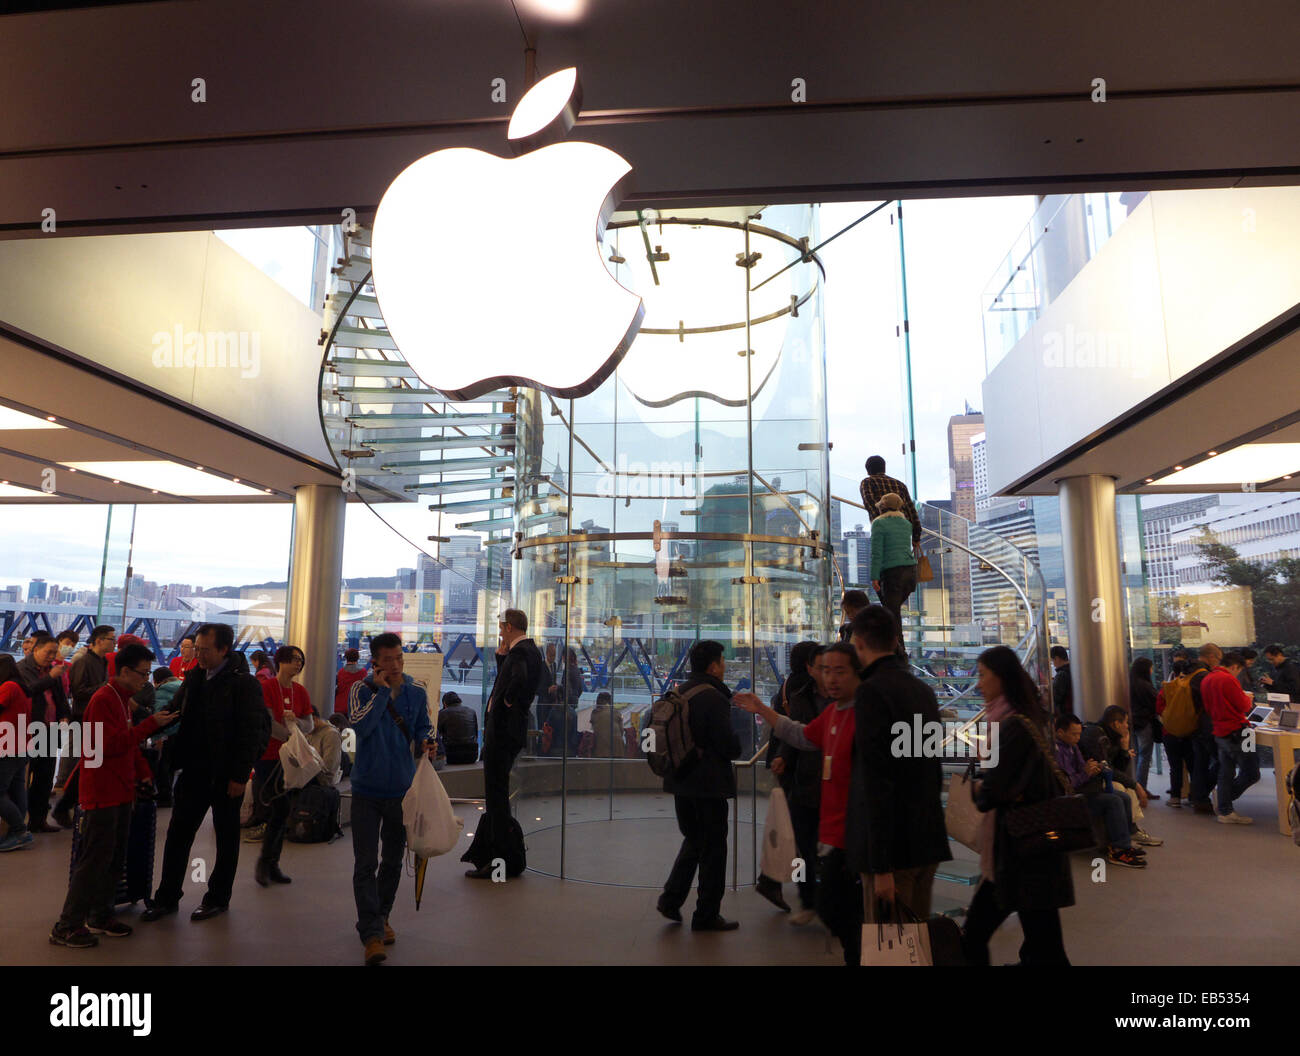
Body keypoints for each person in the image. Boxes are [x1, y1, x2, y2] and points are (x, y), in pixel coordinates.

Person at [739, 641, 872, 962]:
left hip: (858, 839)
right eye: (826, 671)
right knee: (835, 911)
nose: (831, 679)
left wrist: (880, 864)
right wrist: (763, 709)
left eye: (840, 671)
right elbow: (800, 734)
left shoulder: (867, 716)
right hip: (835, 835)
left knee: (848, 917)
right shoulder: (833, 714)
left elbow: (879, 786)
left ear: (857, 672)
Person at [49, 642, 175, 949]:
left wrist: (143, 772)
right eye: (142, 674)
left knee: (113, 859)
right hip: (102, 793)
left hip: (120, 791)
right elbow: (105, 744)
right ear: (125, 671)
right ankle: (67, 925)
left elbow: (127, 745)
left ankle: (100, 914)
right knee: (93, 861)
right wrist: (150, 725)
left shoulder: (122, 700)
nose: (145, 680)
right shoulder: (104, 699)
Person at [142, 623, 269, 924]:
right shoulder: (196, 677)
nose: (199, 655)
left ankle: (217, 898)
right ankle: (167, 897)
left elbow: (251, 733)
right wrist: (144, 725)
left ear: (224, 650)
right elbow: (175, 709)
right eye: (197, 648)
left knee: (226, 839)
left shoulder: (244, 685)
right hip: (194, 770)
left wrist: (240, 776)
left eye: (205, 650)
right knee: (177, 835)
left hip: (227, 775)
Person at [961, 646, 1073, 966]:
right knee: (1045, 944)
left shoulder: (1011, 725)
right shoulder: (1027, 717)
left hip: (1017, 851)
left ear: (1003, 678)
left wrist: (977, 787)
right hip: (1034, 849)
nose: (978, 684)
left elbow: (991, 794)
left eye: (983, 675)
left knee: (974, 935)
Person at [847, 606, 952, 931]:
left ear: (859, 643)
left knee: (889, 945)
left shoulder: (871, 692)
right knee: (916, 943)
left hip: (894, 850)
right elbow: (932, 769)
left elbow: (876, 781)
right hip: (927, 840)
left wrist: (880, 866)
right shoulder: (922, 691)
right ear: (895, 640)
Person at [348, 632, 434, 964]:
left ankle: (381, 917)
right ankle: (370, 934)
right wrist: (383, 692)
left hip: (402, 790)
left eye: (399, 657)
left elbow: (424, 727)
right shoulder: (362, 689)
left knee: (394, 861)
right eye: (388, 659)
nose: (396, 664)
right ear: (375, 662)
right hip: (366, 791)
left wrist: (428, 740)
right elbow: (360, 726)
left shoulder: (415, 691)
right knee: (365, 863)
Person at [657, 640, 743, 932]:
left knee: (694, 839)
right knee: (714, 849)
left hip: (680, 780)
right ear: (713, 666)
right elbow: (729, 745)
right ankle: (706, 913)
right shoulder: (713, 698)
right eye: (722, 661)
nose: (725, 666)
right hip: (708, 785)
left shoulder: (679, 692)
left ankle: (670, 899)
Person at [462, 610, 542, 879]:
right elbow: (514, 677)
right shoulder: (529, 651)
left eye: (500, 627)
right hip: (512, 731)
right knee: (497, 794)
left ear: (509, 627)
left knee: (495, 796)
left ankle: (499, 862)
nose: (498, 632)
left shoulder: (520, 654)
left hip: (504, 730)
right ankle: (501, 858)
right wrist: (501, 659)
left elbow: (516, 681)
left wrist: (507, 702)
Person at [756, 641, 824, 923]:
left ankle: (788, 884)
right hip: (802, 770)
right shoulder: (803, 691)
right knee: (800, 835)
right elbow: (801, 731)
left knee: (796, 833)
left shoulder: (788, 686)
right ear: (809, 665)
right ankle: (793, 886)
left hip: (791, 768)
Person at [253, 644, 313, 887]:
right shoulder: (267, 687)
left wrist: (294, 723)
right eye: (293, 659)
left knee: (282, 810)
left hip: (292, 760)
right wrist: (292, 734)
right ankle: (267, 862)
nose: (298, 663)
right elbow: (267, 723)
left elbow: (309, 724)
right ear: (280, 661)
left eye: (300, 660)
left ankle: (270, 863)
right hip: (269, 757)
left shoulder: (301, 691)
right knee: (279, 808)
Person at [1053, 714, 1145, 868]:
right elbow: (1067, 784)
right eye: (1074, 734)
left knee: (1123, 797)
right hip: (1072, 799)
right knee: (1114, 800)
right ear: (1060, 733)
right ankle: (1118, 850)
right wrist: (1086, 772)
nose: (1078, 737)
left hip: (1085, 790)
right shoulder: (1058, 752)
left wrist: (1093, 769)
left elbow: (1083, 769)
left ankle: (1123, 843)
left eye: (1079, 733)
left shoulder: (1073, 746)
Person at [53, 624, 116, 826]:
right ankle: (64, 799)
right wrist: (105, 687)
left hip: (96, 717)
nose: (113, 643)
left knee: (90, 762)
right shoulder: (84, 661)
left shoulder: (102, 661)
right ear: (99, 640)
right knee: (80, 760)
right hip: (83, 716)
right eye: (111, 639)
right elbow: (78, 691)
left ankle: (77, 803)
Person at [1081, 705, 1162, 847]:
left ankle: (1130, 830)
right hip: (1091, 781)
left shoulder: (1110, 736)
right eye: (1125, 722)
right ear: (1116, 724)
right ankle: (1126, 835)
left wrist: (1124, 749)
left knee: (1125, 787)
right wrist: (1136, 784)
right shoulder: (1096, 736)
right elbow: (1106, 768)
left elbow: (1117, 769)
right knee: (1123, 788)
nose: (1127, 726)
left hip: (1100, 778)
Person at [17, 634, 70, 833]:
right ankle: (19, 823)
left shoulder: (52, 670)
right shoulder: (22, 669)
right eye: (48, 652)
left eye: (53, 653)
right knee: (24, 777)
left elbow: (60, 697)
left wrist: (65, 714)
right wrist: (51, 677)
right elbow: (28, 690)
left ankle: (38, 820)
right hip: (30, 730)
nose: (51, 656)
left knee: (45, 777)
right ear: (36, 650)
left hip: (50, 729)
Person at [1201, 651, 1259, 824]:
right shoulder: (1228, 679)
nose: (1238, 674)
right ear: (1234, 666)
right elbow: (1243, 705)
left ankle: (1225, 808)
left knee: (1226, 771)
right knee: (1251, 772)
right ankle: (1225, 800)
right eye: (1238, 671)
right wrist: (1248, 699)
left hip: (1220, 730)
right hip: (1240, 731)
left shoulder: (1208, 679)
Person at [869, 492, 918, 654]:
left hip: (892, 574)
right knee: (892, 613)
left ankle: (898, 653)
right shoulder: (906, 524)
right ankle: (895, 649)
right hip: (910, 573)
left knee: (892, 616)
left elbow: (877, 553)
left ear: (882, 507)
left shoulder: (879, 524)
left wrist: (874, 576)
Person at [0, 654, 34, 852]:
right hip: (21, 747)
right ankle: (17, 830)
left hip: (7, 747)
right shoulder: (21, 687)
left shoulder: (8, 687)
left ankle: (19, 830)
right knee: (17, 789)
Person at [859, 455, 922, 548]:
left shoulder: (867, 482)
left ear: (868, 470)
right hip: (903, 531)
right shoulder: (900, 484)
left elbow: (871, 505)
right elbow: (912, 511)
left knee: (884, 558)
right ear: (884, 468)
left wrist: (881, 525)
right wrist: (916, 536)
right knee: (903, 559)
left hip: (883, 533)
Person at [1129, 657, 1159, 795]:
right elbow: (1155, 702)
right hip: (1144, 723)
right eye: (1151, 668)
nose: (1152, 671)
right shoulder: (1144, 685)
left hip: (1131, 723)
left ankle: (1134, 786)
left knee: (1134, 755)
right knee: (1145, 756)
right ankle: (1142, 788)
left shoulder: (1129, 682)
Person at [437, 690, 479, 765]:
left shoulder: (443, 713)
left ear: (444, 703)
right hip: (472, 755)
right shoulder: (472, 711)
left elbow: (437, 735)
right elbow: (476, 734)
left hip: (451, 756)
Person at [307, 706, 343, 787]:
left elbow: (328, 768)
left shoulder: (331, 734)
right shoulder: (310, 733)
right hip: (311, 779)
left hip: (321, 784)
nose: (303, 726)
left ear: (314, 719)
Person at [590, 691, 624, 758]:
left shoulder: (595, 713)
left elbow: (595, 730)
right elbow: (621, 731)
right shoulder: (616, 712)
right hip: (618, 750)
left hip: (601, 750)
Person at [334, 648, 366, 715]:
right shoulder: (363, 673)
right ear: (358, 658)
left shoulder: (340, 672)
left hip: (339, 707)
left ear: (346, 657)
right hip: (356, 708)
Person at [1049, 646, 1072, 714]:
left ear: (1057, 658)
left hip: (1064, 714)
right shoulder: (1073, 669)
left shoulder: (1061, 675)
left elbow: (1055, 698)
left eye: (1052, 660)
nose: (1053, 663)